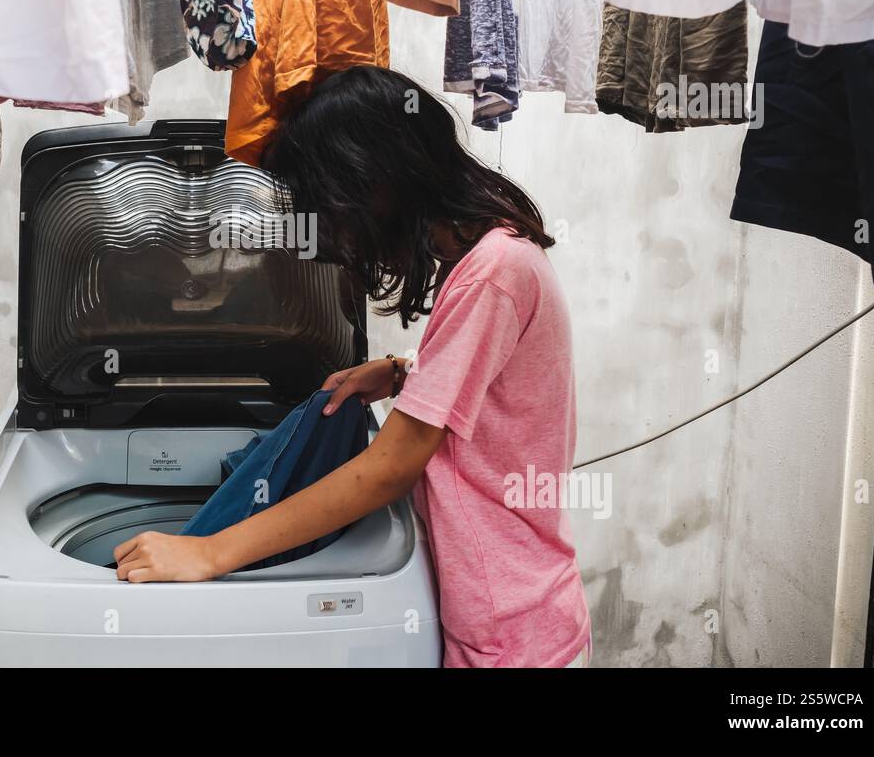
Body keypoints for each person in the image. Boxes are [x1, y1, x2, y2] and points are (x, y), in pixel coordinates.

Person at [114, 65, 591, 668]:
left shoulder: (493, 274)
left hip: (510, 629)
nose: (336, 235)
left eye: (334, 210)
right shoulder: (495, 254)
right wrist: (398, 371)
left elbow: (391, 466)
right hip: (503, 608)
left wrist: (209, 552)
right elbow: (491, 380)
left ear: (380, 182)